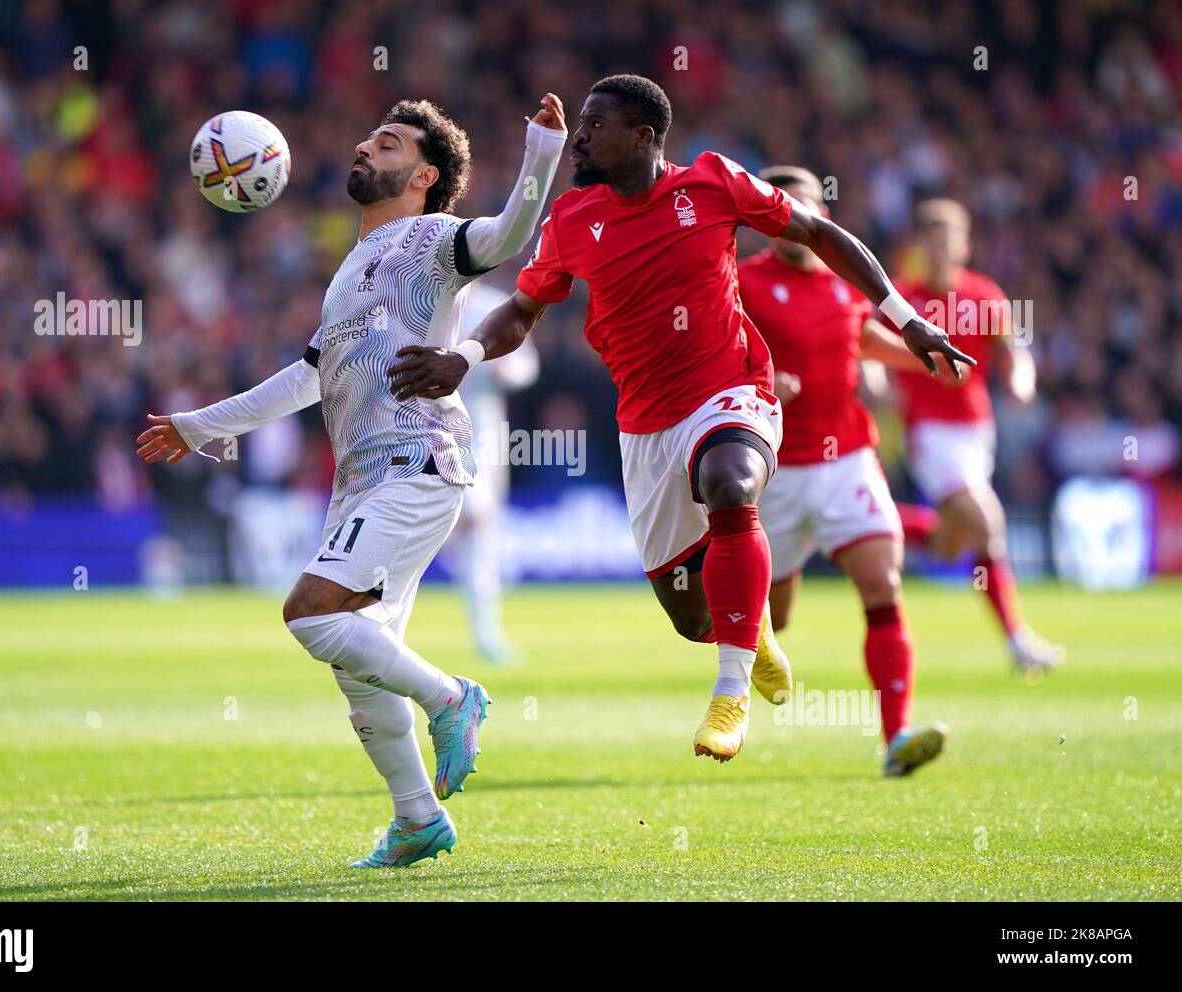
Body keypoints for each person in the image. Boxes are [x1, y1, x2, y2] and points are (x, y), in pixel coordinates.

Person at [386, 75, 972, 764]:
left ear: (642, 136)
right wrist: (466, 355)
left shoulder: (715, 184)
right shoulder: (573, 220)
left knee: (730, 483)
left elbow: (821, 232)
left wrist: (906, 319)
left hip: (731, 386)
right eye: (580, 122)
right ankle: (751, 632)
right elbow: (521, 311)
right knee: (689, 611)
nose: (580, 135)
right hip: (645, 422)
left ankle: (730, 694)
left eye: (595, 124)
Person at [135, 95, 567, 866]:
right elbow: (302, 382)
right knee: (356, 660)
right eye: (369, 138)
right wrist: (198, 425)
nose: (367, 147)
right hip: (361, 481)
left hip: (417, 461)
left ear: (425, 175)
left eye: (388, 144)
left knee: (309, 612)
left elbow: (511, 234)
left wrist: (541, 148)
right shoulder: (347, 275)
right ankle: (417, 818)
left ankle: (451, 697)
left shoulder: (435, 240)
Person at [738, 166, 949, 777]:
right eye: (780, 211)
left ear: (820, 217)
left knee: (883, 586)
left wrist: (919, 355)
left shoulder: (847, 280)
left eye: (803, 210)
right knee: (773, 620)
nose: (794, 222)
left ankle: (896, 737)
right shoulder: (741, 281)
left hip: (847, 458)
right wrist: (758, 377)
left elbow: (861, 338)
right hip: (772, 469)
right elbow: (709, 347)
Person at [889, 199, 1065, 674]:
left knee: (950, 542)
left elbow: (1014, 348)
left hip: (976, 432)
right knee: (988, 523)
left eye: (951, 238)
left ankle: (865, 520)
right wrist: (877, 383)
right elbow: (869, 348)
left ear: (965, 244)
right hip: (929, 434)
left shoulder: (984, 293)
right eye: (934, 239)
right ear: (921, 246)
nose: (944, 247)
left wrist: (1022, 379)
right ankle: (1018, 641)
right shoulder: (903, 298)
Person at [447, 278, 540, 664]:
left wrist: (505, 371)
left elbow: (526, 365)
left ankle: (487, 633)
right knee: (472, 518)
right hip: (438, 430)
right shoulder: (428, 301)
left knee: (481, 532)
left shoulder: (493, 304)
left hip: (485, 438)